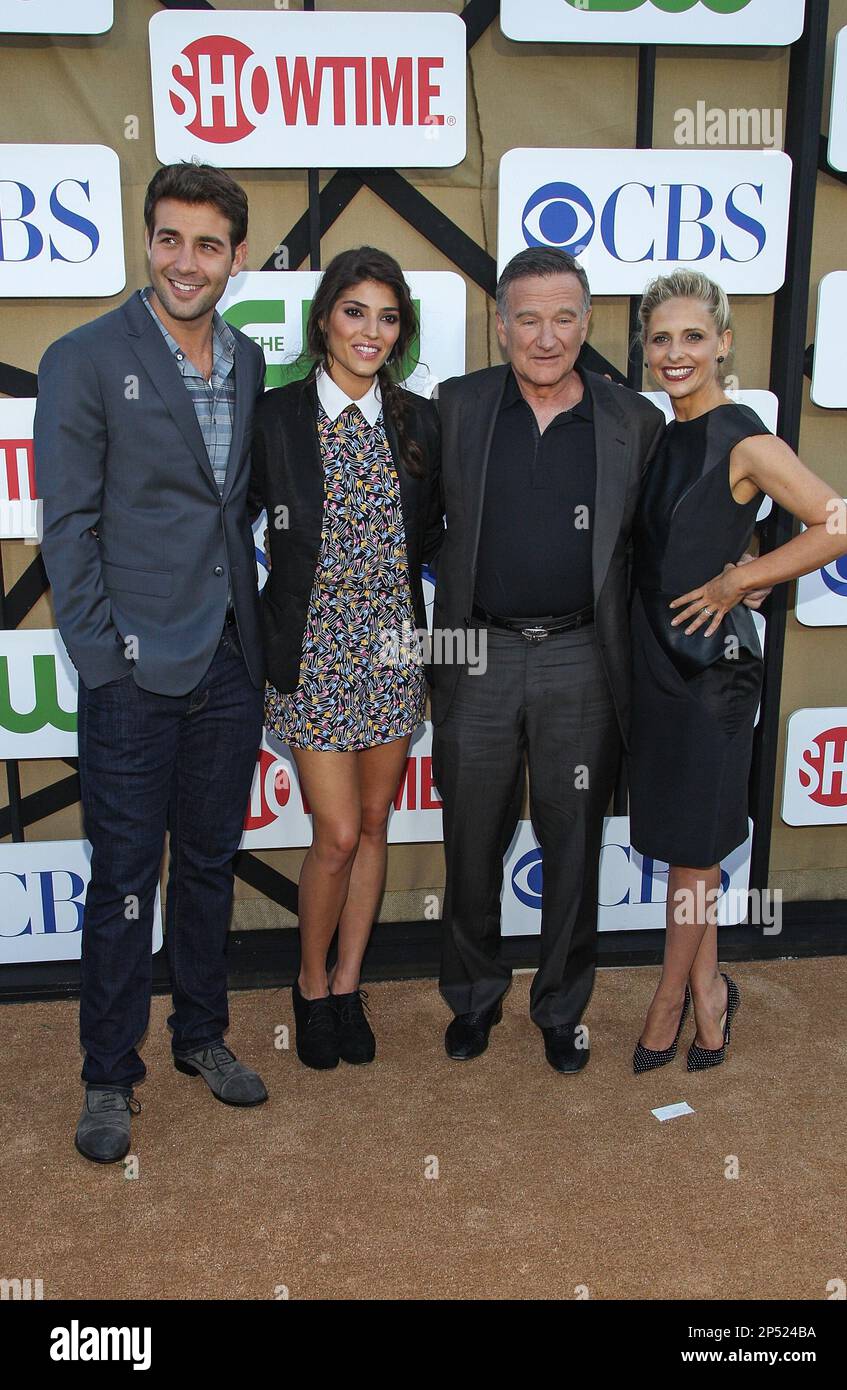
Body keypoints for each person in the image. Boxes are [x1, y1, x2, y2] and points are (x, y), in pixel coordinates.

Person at [34, 163, 268, 1164]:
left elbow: (234, 510)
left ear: (235, 259)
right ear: (146, 241)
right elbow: (67, 526)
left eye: (207, 245)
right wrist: (102, 658)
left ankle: (201, 1035)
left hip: (227, 659)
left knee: (210, 862)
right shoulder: (83, 357)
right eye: (169, 239)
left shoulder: (251, 360)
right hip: (132, 667)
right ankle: (106, 1074)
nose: (186, 261)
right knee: (126, 874)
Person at [430, 246, 666, 1073]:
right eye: (526, 317)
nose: (545, 335)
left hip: (581, 662)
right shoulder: (455, 407)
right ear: (500, 326)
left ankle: (562, 1008)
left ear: (588, 321)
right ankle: (472, 998)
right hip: (477, 651)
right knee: (470, 841)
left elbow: (661, 543)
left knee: (573, 845)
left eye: (563, 316)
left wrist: (738, 580)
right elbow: (422, 530)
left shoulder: (634, 419)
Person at [629, 268, 847, 1074]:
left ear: (725, 343)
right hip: (656, 671)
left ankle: (668, 1002)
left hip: (712, 679)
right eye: (661, 338)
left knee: (694, 852)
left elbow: (840, 524)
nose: (675, 352)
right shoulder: (662, 435)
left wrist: (742, 581)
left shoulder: (746, 438)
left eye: (693, 336)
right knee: (686, 849)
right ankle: (708, 999)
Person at [250, 247, 442, 1070]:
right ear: (324, 317)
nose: (371, 330)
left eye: (388, 316)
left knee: (372, 824)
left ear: (401, 333)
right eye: (355, 311)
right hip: (312, 653)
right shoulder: (276, 417)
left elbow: (439, 537)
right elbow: (227, 526)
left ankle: (350, 981)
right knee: (332, 833)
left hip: (394, 651)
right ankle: (308, 981)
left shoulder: (420, 420)